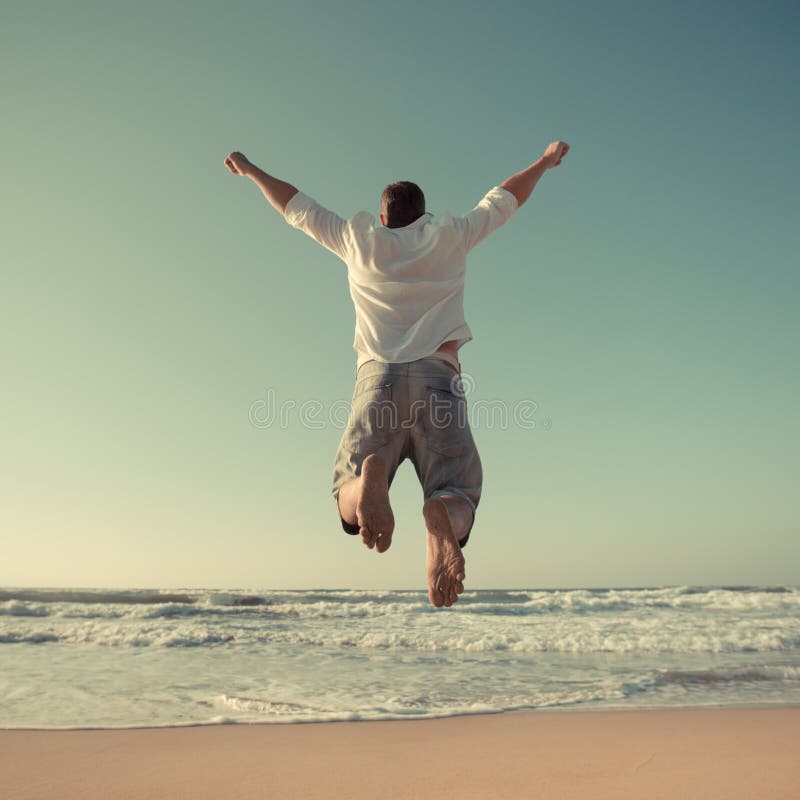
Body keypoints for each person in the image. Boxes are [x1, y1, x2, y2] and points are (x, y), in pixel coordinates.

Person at [224, 141, 570, 607]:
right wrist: (544, 163)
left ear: (383, 219)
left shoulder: (358, 239)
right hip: (438, 379)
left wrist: (250, 170)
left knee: (345, 497)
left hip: (378, 381)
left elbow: (296, 206)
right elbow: (505, 198)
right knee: (458, 490)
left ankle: (368, 479)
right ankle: (440, 512)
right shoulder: (451, 235)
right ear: (424, 216)